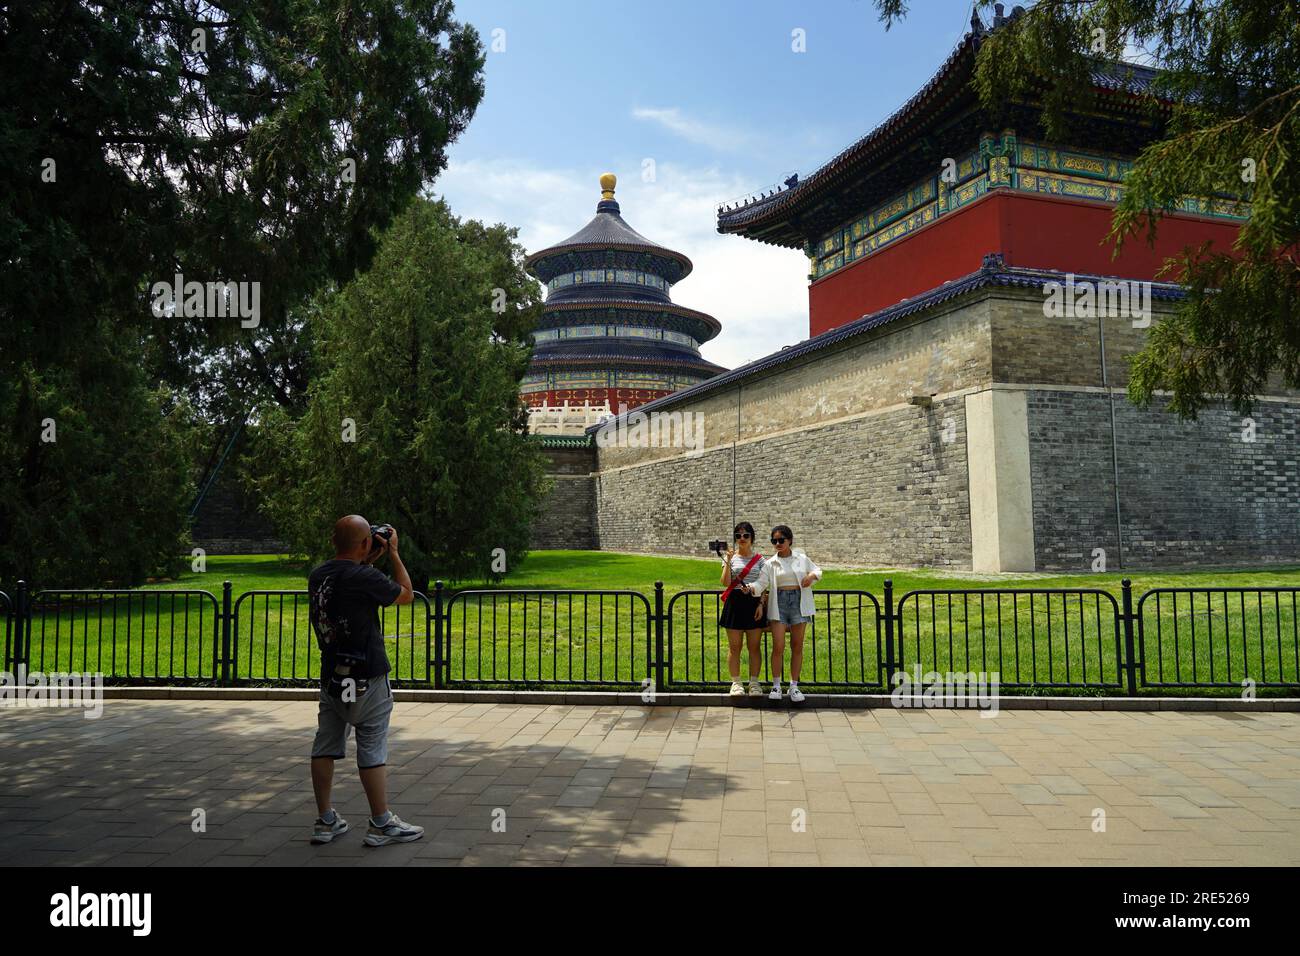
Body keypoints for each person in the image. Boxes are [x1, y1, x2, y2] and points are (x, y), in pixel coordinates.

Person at [306, 514, 424, 847]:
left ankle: (325, 820)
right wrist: (395, 554)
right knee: (371, 744)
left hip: (331, 675)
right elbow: (405, 594)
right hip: (366, 675)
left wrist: (364, 558)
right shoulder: (362, 576)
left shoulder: (318, 576)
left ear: (333, 541)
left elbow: (348, 582)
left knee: (325, 745)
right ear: (364, 543)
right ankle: (381, 822)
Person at [756, 525, 822, 703]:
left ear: (790, 540)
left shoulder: (801, 558)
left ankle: (794, 686)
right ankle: (776, 685)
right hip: (779, 603)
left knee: (797, 646)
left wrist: (810, 577)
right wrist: (751, 589)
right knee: (778, 646)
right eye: (774, 541)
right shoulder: (770, 563)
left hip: (799, 603)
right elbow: (761, 583)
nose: (777, 543)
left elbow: (818, 571)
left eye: (781, 540)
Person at [718, 522, 768, 698]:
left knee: (754, 647)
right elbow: (724, 582)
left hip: (753, 602)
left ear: (752, 537)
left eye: (745, 535)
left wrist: (761, 605)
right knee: (734, 647)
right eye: (738, 536)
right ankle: (736, 683)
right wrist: (729, 559)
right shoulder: (729, 557)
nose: (742, 539)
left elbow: (764, 585)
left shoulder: (761, 560)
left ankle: (754, 683)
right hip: (734, 602)